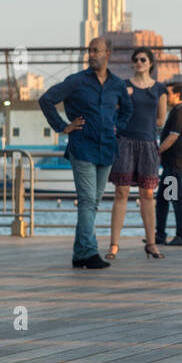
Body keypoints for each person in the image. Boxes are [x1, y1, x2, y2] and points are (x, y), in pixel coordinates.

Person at [39, 36, 132, 268]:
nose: (91, 54)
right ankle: (90, 253)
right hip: (82, 147)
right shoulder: (76, 81)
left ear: (107, 54)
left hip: (107, 149)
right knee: (88, 200)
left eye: (96, 50)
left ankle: (80, 254)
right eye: (89, 50)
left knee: (94, 201)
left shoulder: (118, 85)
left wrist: (116, 127)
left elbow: (127, 111)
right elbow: (46, 99)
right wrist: (63, 127)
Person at [107, 47, 168, 260]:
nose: (139, 62)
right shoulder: (124, 86)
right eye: (135, 60)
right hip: (125, 142)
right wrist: (126, 101)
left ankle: (151, 243)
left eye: (143, 59)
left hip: (148, 143)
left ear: (150, 62)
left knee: (147, 195)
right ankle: (114, 244)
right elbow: (114, 112)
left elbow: (161, 119)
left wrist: (147, 126)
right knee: (121, 193)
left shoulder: (160, 89)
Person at [155, 82, 182, 247]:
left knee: (175, 199)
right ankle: (160, 234)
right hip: (173, 164)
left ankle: (181, 235)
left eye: (168, 94)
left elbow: (173, 136)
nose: (165, 97)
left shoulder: (179, 112)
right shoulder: (179, 112)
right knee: (163, 199)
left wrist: (156, 151)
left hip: (174, 165)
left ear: (177, 94)